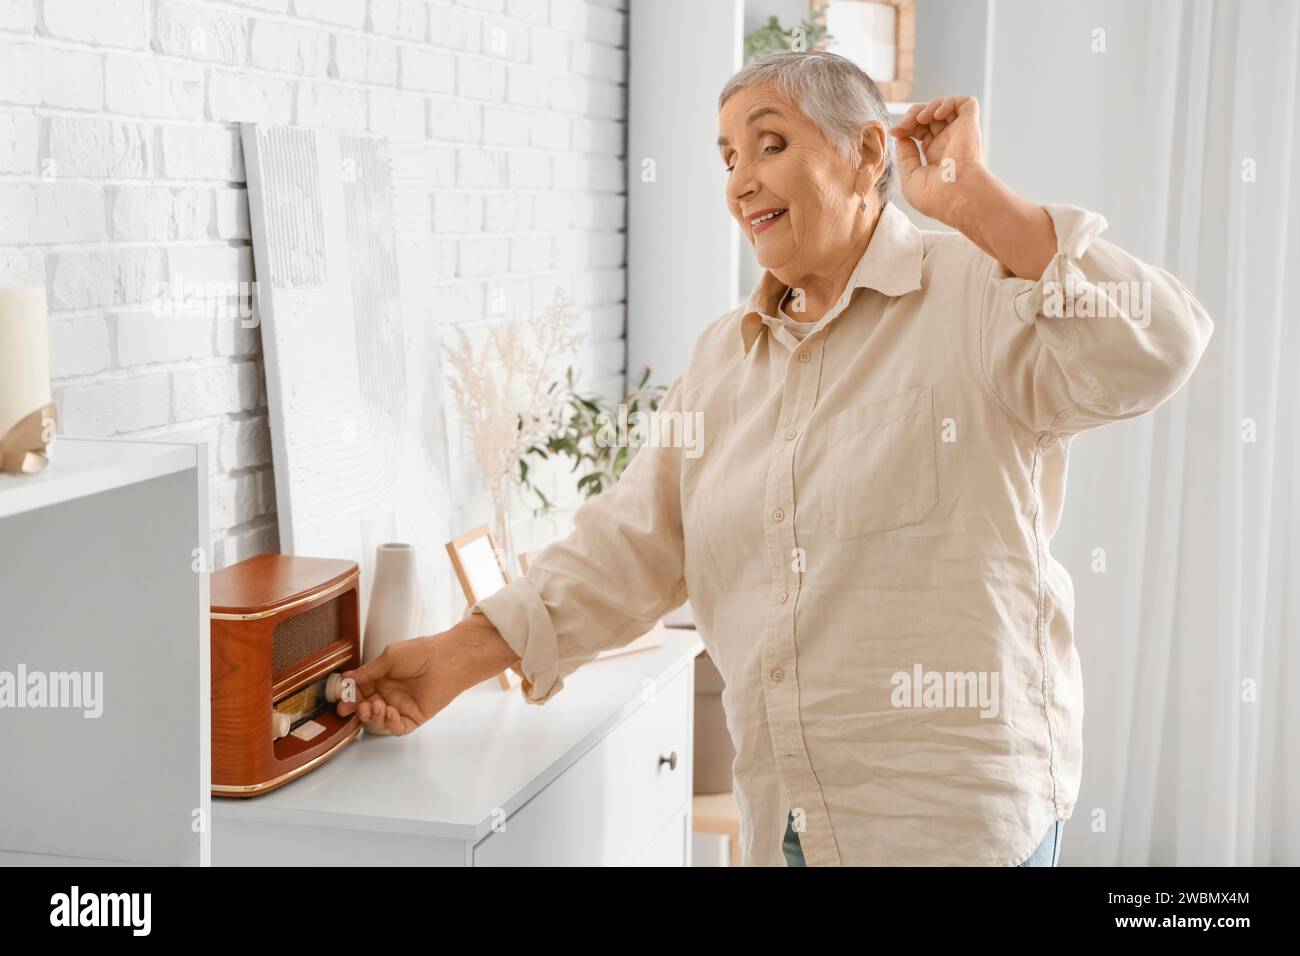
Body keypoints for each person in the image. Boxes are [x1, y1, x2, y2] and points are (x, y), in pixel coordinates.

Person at [338, 51, 1213, 866]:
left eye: (771, 142)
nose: (741, 180)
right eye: (727, 156)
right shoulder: (724, 358)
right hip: (789, 824)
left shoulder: (977, 291)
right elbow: (633, 545)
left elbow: (1159, 345)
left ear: (867, 152)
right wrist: (455, 657)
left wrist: (976, 200)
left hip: (956, 828)